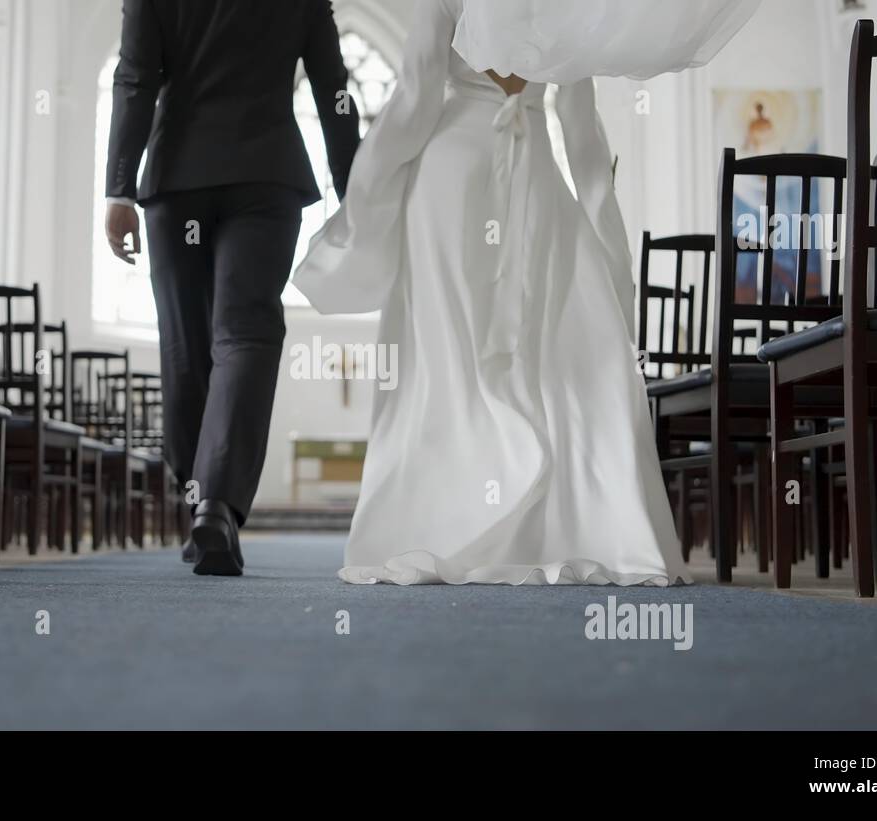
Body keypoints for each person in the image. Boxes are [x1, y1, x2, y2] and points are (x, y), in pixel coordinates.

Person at [294, 0, 753, 585]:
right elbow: (584, 138)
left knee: (444, 359)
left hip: (447, 180)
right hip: (535, 178)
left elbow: (412, 105)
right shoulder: (566, 10)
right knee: (561, 346)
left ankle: (434, 523)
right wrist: (612, 257)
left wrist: (360, 213)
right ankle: (581, 527)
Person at [104, 0, 361, 576]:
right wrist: (352, 193)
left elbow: (135, 77)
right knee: (245, 334)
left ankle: (203, 500)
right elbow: (334, 91)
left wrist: (119, 189)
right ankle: (215, 504)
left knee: (186, 347)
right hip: (266, 177)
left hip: (178, 178)